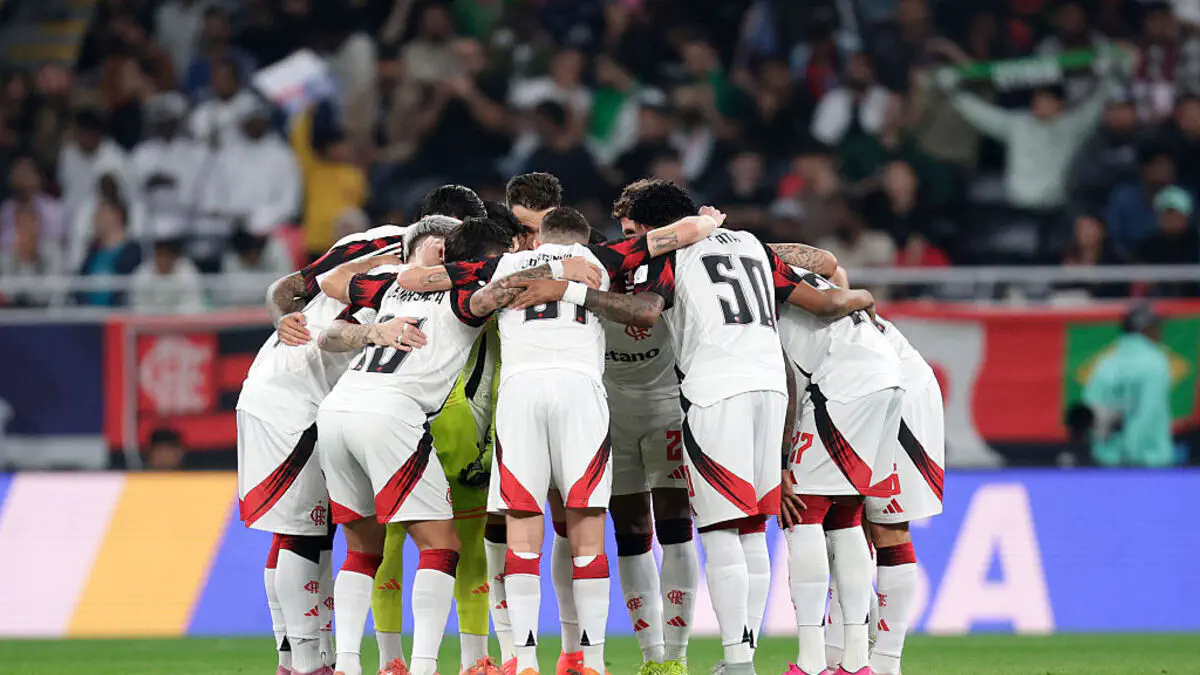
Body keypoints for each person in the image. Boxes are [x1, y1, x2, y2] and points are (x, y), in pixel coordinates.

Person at [502, 180, 874, 675]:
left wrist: (570, 288)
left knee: (710, 529)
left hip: (696, 397)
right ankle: (709, 656)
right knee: (740, 529)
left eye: (634, 231)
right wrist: (863, 294)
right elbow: (824, 266)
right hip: (753, 389)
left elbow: (647, 307)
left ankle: (710, 660)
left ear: (660, 230)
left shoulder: (657, 259)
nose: (628, 239)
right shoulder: (749, 247)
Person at [315, 215, 513, 675]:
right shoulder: (466, 295)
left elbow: (330, 286)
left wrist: (390, 293)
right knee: (441, 546)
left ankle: (345, 664)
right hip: (391, 414)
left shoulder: (390, 288)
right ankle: (424, 665)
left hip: (338, 410)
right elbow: (494, 293)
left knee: (363, 548)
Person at [240, 218, 412, 675]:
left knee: (307, 532)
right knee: (305, 533)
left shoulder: (373, 244)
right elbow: (289, 287)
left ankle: (296, 659)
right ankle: (308, 662)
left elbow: (291, 284)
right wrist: (283, 320)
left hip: (293, 396)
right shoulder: (393, 261)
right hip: (294, 399)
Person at [771, 267, 901, 675]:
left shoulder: (768, 300)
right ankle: (857, 660)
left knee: (802, 510)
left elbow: (789, 391)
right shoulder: (800, 275)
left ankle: (811, 663)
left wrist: (780, 465)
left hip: (842, 385)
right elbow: (826, 262)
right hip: (885, 377)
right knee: (846, 515)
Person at [197, 97, 300, 271]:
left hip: (270, 238)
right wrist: (232, 215)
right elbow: (212, 198)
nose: (254, 124)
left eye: (258, 119)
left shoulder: (282, 154)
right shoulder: (227, 155)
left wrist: (257, 218)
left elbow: (290, 202)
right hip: (233, 238)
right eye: (250, 120)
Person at [1078, 304, 1176, 467]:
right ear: (1145, 329)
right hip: (1148, 460)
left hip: (1108, 460)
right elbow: (1149, 410)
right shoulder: (1156, 362)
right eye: (1156, 327)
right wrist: (1131, 451)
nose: (1160, 333)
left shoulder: (1105, 362)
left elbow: (1091, 410)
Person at [76, 197, 142, 307]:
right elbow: (79, 282)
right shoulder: (92, 251)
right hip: (87, 316)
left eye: (100, 214)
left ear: (116, 215)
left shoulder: (133, 251)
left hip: (118, 316)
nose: (95, 219)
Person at [128, 237, 205, 314]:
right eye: (159, 255)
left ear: (175, 258)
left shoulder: (188, 273)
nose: (162, 260)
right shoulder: (143, 274)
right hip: (151, 321)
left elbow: (192, 305)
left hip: (181, 322)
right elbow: (139, 305)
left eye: (166, 256)